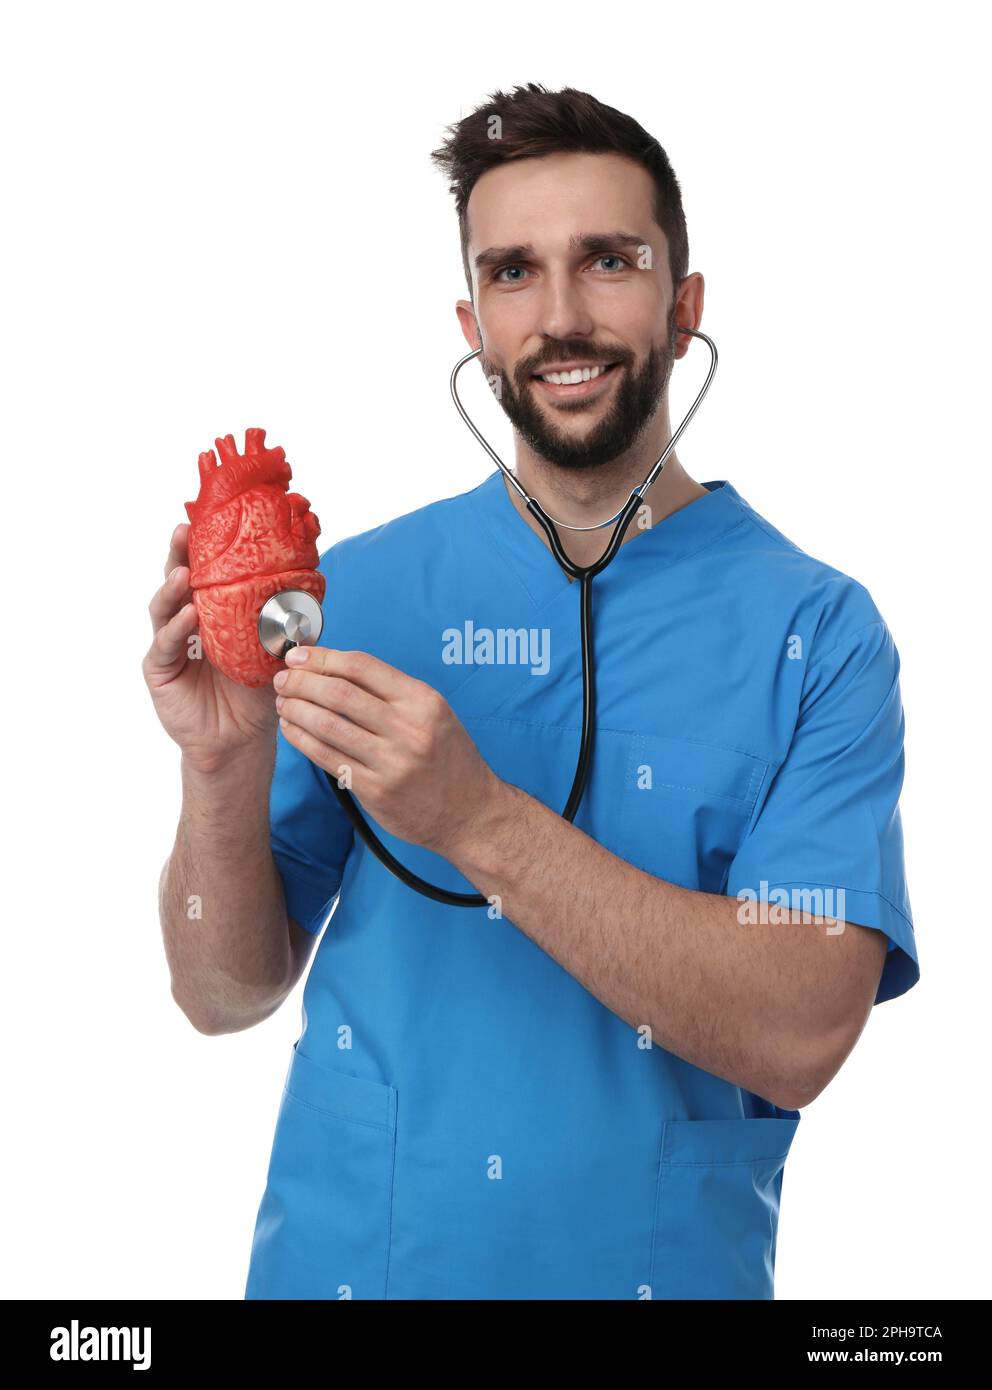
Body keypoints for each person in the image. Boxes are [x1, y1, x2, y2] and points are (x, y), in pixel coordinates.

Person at [144, 83, 918, 1301]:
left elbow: (801, 1028)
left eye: (606, 261)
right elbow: (222, 990)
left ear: (682, 301)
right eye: (512, 273)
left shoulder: (815, 635)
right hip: (354, 1269)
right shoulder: (361, 592)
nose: (559, 317)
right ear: (470, 320)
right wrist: (221, 766)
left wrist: (479, 820)